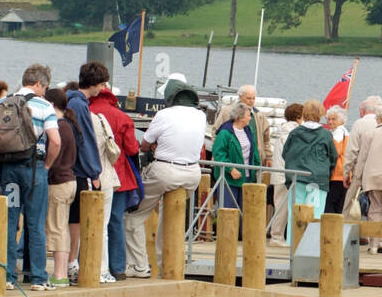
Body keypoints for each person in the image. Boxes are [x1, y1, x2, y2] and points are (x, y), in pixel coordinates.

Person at [124, 77, 207, 278]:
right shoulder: (200, 115)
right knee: (169, 218)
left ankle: (139, 265)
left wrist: (154, 146)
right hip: (192, 173)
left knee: (132, 217)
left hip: (165, 171)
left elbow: (145, 144)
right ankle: (165, 267)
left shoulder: (163, 114)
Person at [0, 64, 60, 291]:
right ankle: (38, 277)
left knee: (9, 222)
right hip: (33, 168)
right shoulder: (44, 106)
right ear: (38, 84)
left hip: (8, 170)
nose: (45, 91)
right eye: (45, 87)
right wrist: (47, 165)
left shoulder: (3, 103)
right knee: (35, 224)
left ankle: (7, 275)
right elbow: (55, 141)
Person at [86, 69, 138, 281]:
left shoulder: (85, 112)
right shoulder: (122, 117)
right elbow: (133, 148)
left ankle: (88, 264)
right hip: (119, 176)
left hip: (91, 173)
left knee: (89, 221)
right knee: (114, 222)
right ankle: (117, 267)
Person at [281, 99, 337, 243]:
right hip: (317, 178)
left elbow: (285, 153)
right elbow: (333, 157)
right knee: (316, 213)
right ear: (320, 114)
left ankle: (292, 243)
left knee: (295, 212)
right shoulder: (325, 135)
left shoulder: (295, 133)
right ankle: (312, 244)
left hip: (296, 177)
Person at [64, 77, 103, 281]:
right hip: (78, 173)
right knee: (75, 221)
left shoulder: (68, 102)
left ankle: (64, 266)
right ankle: (70, 264)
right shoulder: (80, 105)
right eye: (102, 83)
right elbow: (85, 140)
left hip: (62, 170)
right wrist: (94, 172)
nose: (103, 87)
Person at [44, 88, 79, 288]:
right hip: (70, 181)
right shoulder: (68, 126)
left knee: (56, 228)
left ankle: (59, 274)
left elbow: (55, 154)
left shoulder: (58, 127)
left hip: (58, 183)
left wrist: (45, 167)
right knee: (62, 227)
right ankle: (62, 272)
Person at [353, 106, 382, 253]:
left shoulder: (370, 133)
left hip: (373, 176)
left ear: (378, 118)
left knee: (375, 210)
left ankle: (374, 245)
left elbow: (363, 157)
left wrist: (357, 176)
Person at [212, 101, 258, 212]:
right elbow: (218, 153)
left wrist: (257, 168)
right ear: (240, 117)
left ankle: (242, 230)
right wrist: (230, 169)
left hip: (246, 178)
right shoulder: (225, 132)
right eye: (248, 115)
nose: (250, 118)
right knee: (228, 212)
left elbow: (254, 151)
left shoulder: (248, 131)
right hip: (229, 179)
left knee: (245, 213)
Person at [268, 103, 302, 241]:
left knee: (281, 206)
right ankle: (276, 236)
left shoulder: (283, 131)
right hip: (284, 175)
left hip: (279, 174)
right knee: (282, 207)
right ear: (299, 117)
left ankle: (279, 235)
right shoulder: (292, 133)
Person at [342, 95, 382, 213]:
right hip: (380, 174)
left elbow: (352, 151)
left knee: (350, 207)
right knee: (377, 209)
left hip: (361, 174)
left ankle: (349, 230)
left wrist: (346, 172)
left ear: (363, 111)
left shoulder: (360, 123)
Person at [237, 85, 273, 174]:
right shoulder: (228, 112)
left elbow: (266, 139)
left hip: (255, 159)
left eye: (253, 98)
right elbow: (216, 132)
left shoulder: (260, 116)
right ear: (240, 97)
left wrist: (268, 157)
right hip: (236, 158)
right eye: (248, 98)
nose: (251, 101)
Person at [324, 105, 348, 216]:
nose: (330, 121)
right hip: (342, 174)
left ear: (341, 120)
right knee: (339, 206)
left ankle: (330, 231)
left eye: (334, 119)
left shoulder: (338, 132)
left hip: (336, 174)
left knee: (330, 206)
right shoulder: (345, 132)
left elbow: (335, 151)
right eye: (328, 119)